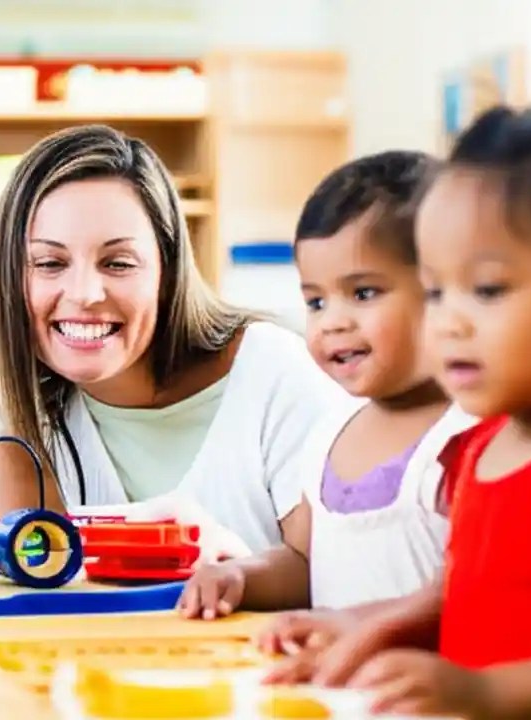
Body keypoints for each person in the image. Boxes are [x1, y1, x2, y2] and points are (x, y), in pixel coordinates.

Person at [267, 101, 531, 719]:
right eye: (437, 292)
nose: (448, 322)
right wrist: (363, 631)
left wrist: (487, 693)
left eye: (488, 289)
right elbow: (453, 599)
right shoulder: (482, 445)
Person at [0, 123, 353, 556]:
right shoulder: (13, 398)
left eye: (119, 263)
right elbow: (39, 580)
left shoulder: (276, 374)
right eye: (50, 262)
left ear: (167, 272)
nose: (85, 293)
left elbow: (335, 586)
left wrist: (231, 564)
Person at [178, 151, 477, 620]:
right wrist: (243, 575)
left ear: (442, 289)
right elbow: (306, 564)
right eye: (316, 301)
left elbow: (473, 599)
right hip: (340, 690)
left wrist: (351, 629)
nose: (333, 322)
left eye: (363, 293)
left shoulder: (468, 437)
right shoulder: (330, 430)